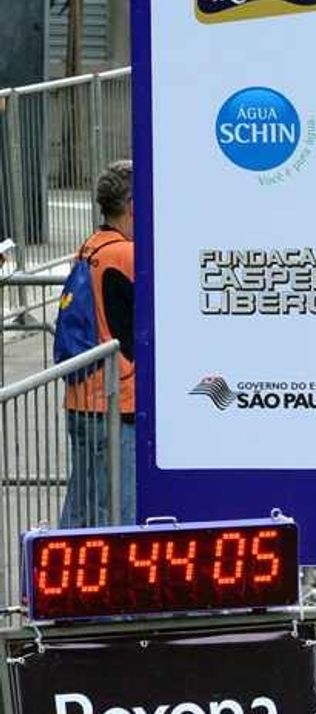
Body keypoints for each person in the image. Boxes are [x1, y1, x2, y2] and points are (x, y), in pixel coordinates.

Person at [58, 161, 138, 529]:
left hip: (82, 397)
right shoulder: (126, 256)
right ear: (133, 205)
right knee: (113, 514)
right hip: (115, 402)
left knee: (80, 508)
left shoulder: (90, 246)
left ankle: (47, 581)